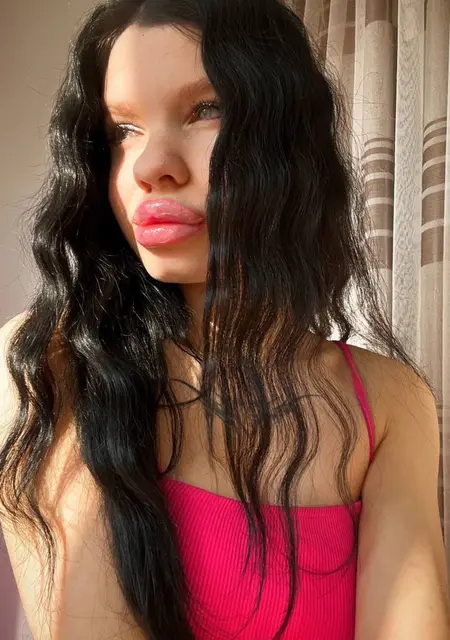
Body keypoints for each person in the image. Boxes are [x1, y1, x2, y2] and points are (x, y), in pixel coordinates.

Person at [0, 0, 449, 638]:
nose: (150, 166)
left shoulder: (390, 401)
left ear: (287, 140)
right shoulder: (47, 363)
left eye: (205, 109)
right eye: (122, 130)